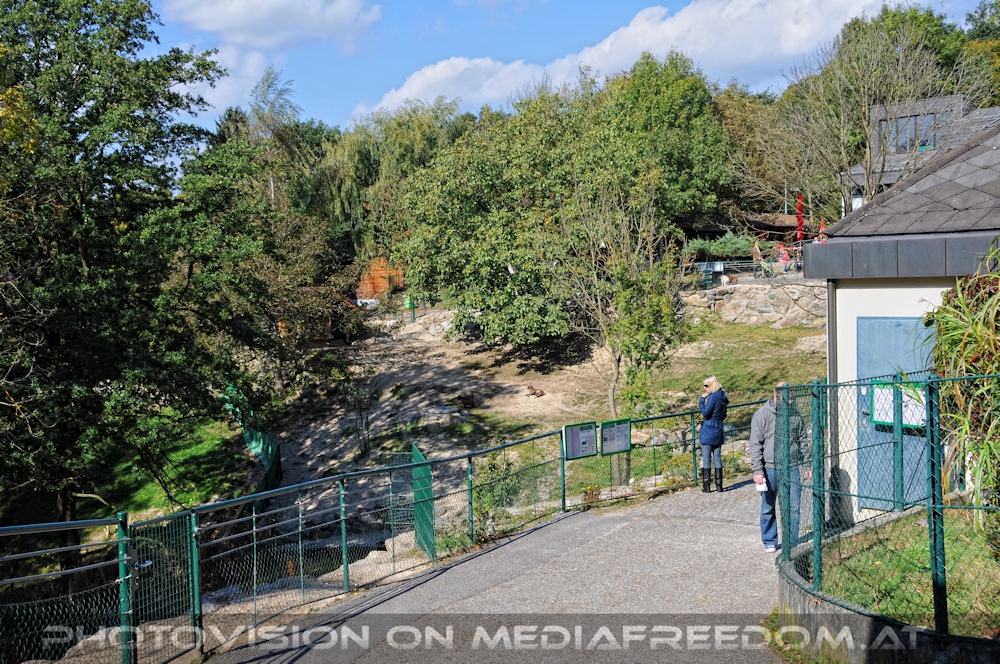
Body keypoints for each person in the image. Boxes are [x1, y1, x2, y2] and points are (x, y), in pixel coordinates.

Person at [749, 382, 810, 552]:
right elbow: (755, 444)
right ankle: (770, 540)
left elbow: (803, 441)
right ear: (776, 396)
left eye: (791, 396)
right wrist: (758, 471)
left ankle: (791, 541)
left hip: (791, 466)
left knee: (794, 507)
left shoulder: (795, 415)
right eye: (787, 396)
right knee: (768, 506)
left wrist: (806, 465)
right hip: (769, 469)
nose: (791, 400)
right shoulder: (762, 415)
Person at [698, 375, 729, 493]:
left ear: (712, 385)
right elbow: (724, 415)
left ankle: (706, 486)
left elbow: (706, 412)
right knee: (717, 457)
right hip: (718, 429)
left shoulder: (713, 397)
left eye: (706, 385)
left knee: (706, 458)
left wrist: (701, 400)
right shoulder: (723, 396)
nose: (705, 388)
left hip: (708, 430)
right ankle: (719, 485)